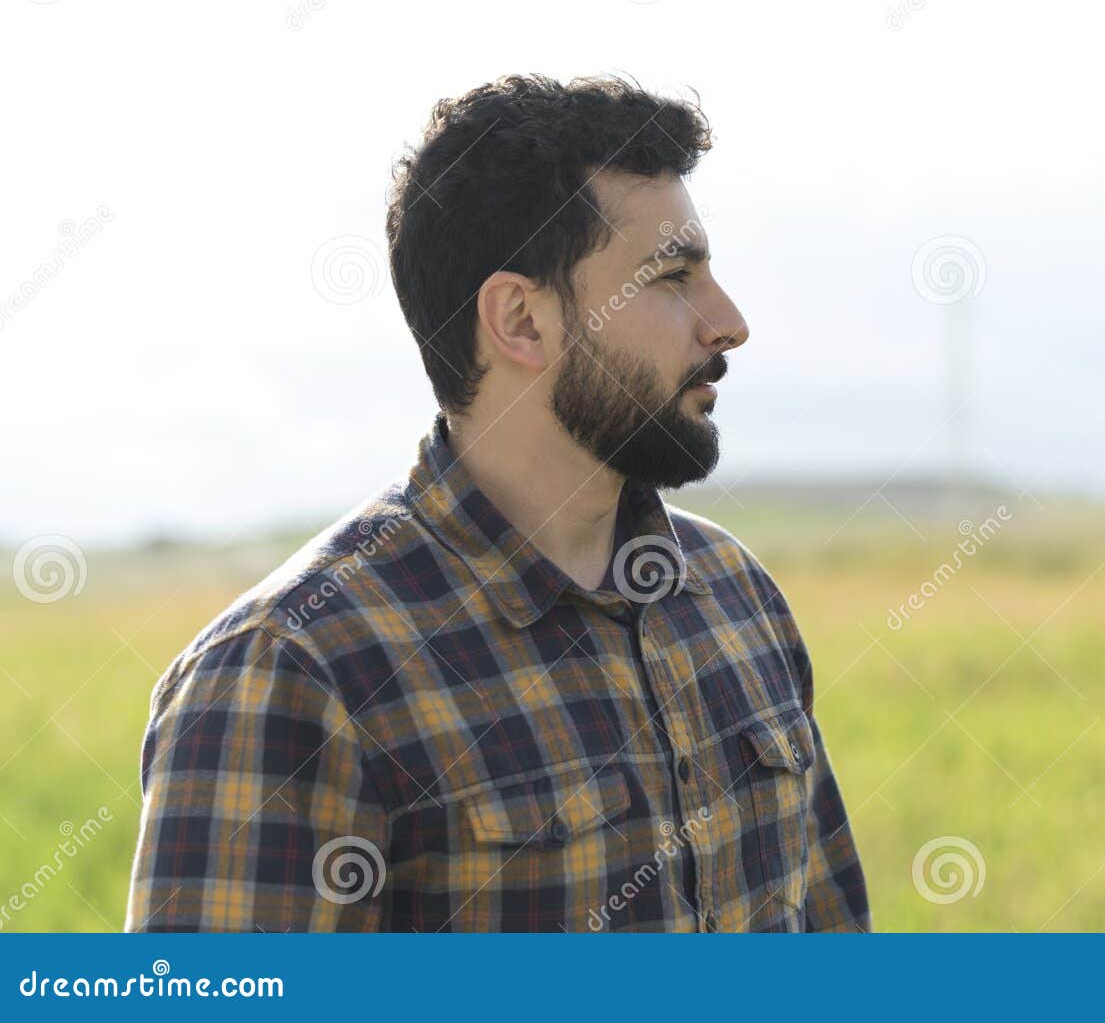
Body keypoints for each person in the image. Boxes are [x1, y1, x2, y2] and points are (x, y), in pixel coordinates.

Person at [125, 74, 871, 932]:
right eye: (673, 277)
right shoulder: (291, 676)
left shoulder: (735, 599)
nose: (729, 321)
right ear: (521, 320)